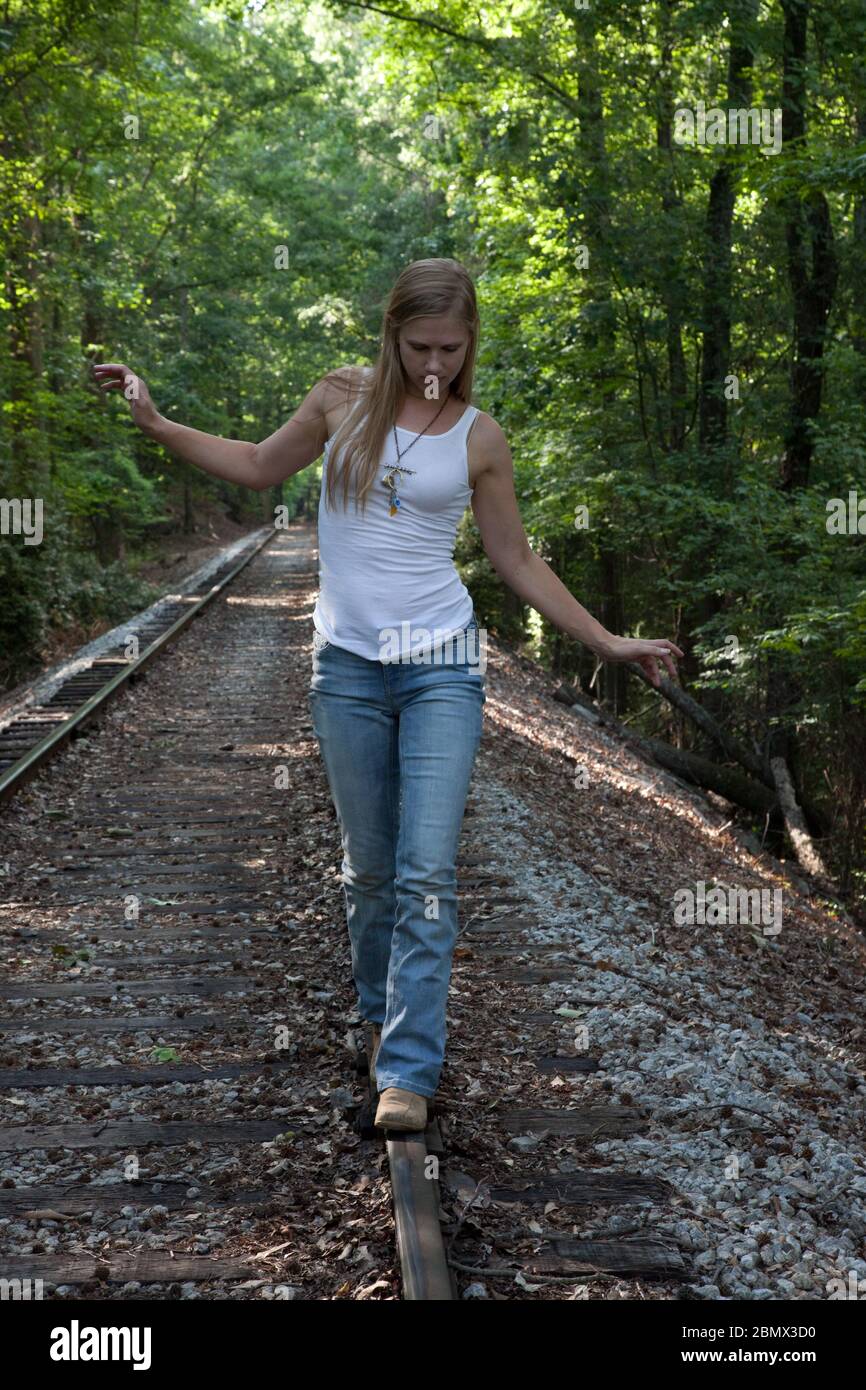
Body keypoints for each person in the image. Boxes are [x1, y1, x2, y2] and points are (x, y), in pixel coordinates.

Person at [93, 256, 683, 1134]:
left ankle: (409, 1067)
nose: (434, 362)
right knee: (370, 871)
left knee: (427, 870)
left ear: (472, 338)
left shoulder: (480, 437)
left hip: (444, 663)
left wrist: (605, 639)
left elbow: (514, 559)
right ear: (392, 334)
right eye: (419, 346)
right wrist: (154, 420)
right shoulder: (341, 398)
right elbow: (257, 466)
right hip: (350, 669)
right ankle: (379, 1017)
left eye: (451, 346)